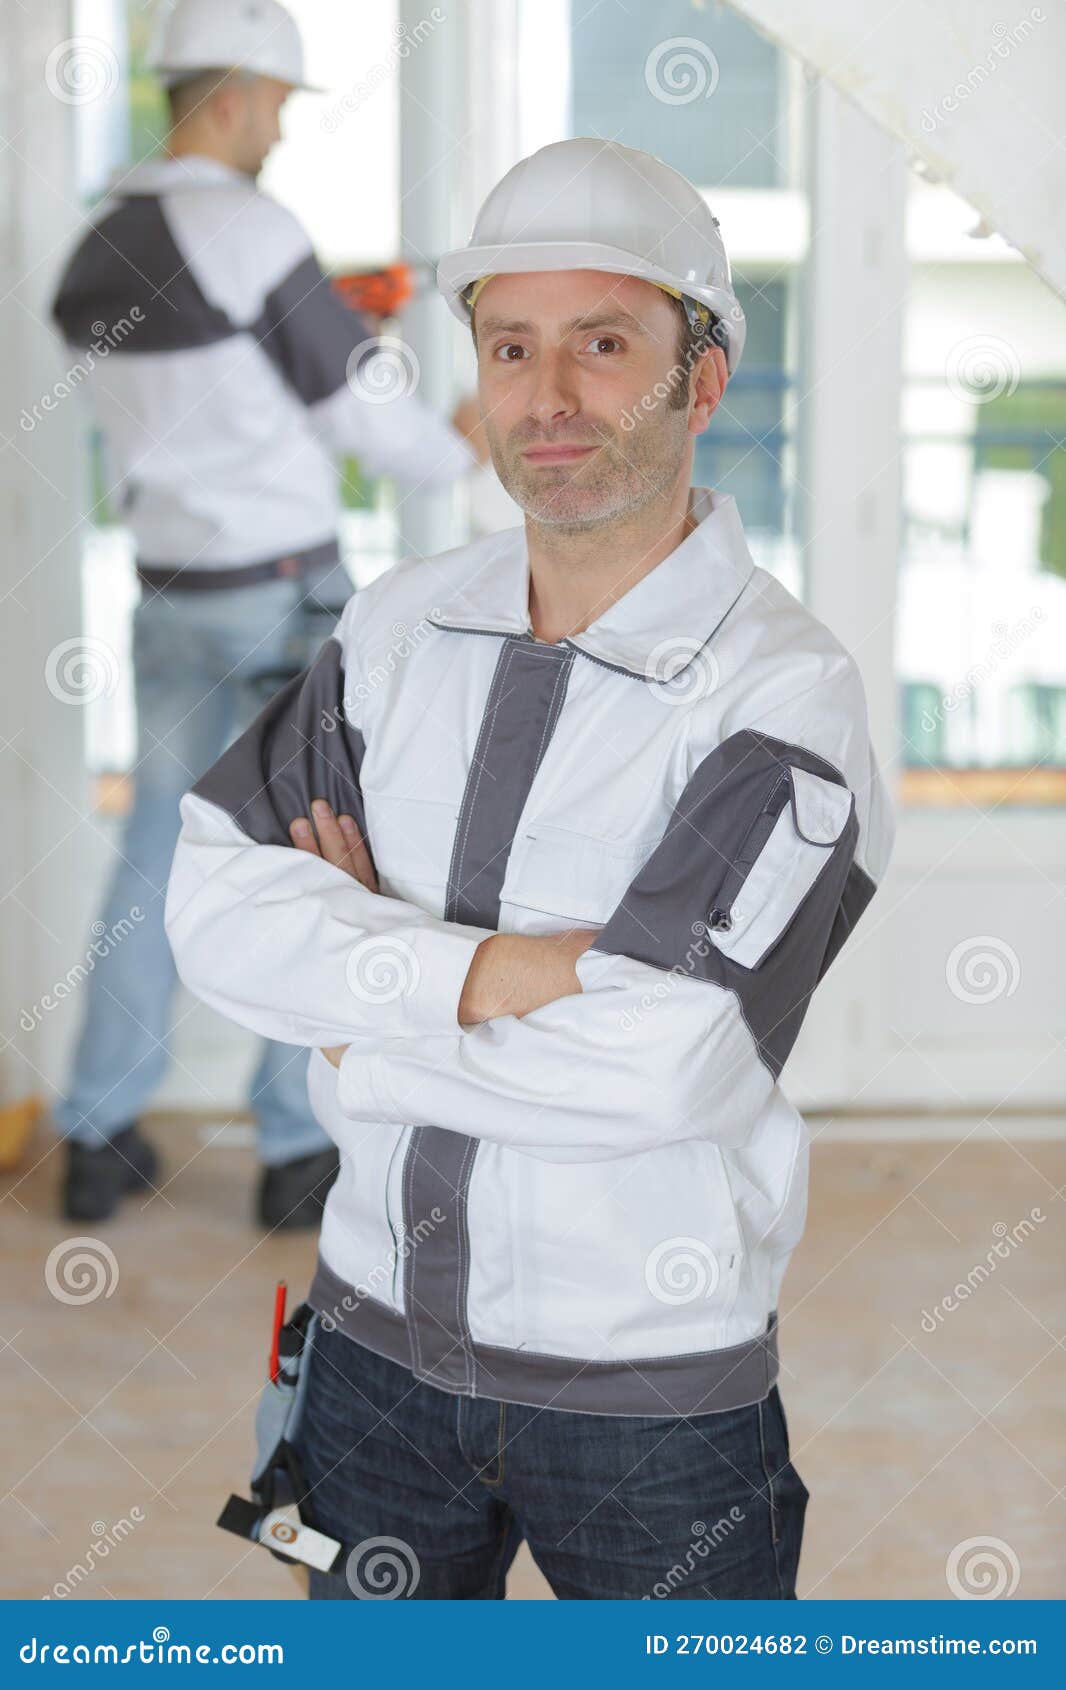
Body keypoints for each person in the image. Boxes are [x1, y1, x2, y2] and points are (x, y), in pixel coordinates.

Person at [165, 138, 896, 1598]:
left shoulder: (779, 694)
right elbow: (209, 907)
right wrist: (524, 975)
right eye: (510, 347)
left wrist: (356, 1013)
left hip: (650, 1402)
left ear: (700, 377)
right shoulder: (390, 628)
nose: (546, 396)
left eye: (601, 345)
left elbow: (664, 1060)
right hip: (365, 1364)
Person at [49, 0, 486, 1228]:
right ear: (233, 95)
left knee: (152, 855)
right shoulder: (244, 226)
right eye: (280, 107)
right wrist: (448, 452)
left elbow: (213, 388)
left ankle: (96, 1136)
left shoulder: (97, 247)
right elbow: (356, 413)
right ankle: (297, 1154)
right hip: (284, 598)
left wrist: (307, 340)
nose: (281, 133)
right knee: (315, 863)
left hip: (169, 591)